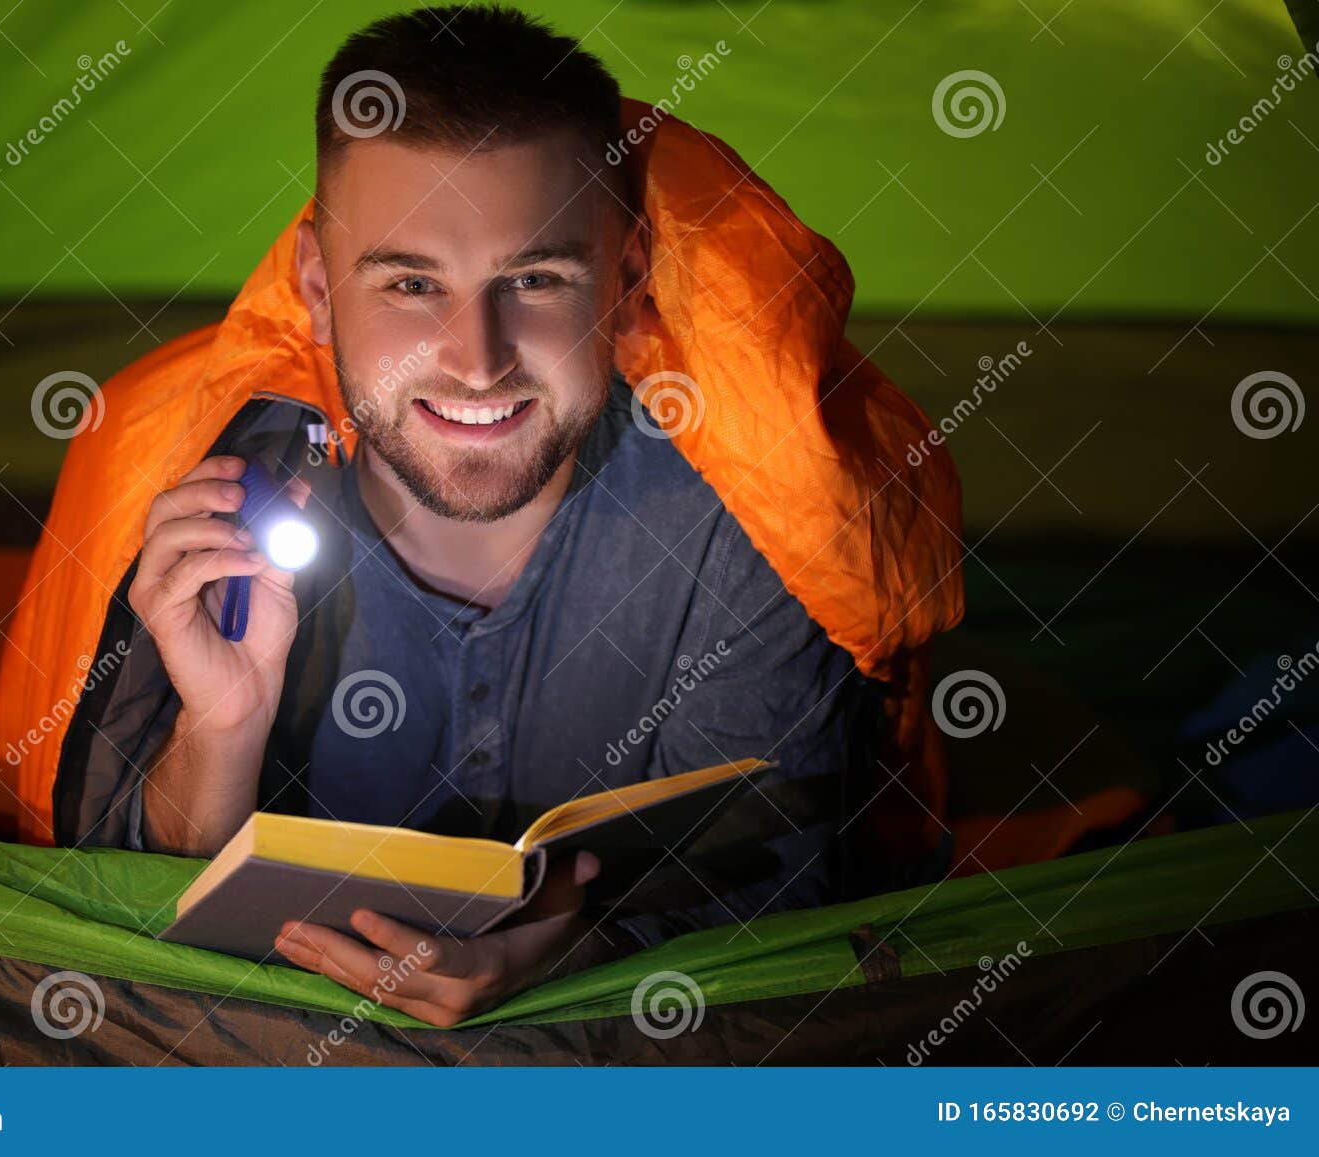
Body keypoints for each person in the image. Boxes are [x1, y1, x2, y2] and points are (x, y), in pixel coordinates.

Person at [89, 5, 921, 1028]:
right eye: (408, 282)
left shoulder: (754, 517)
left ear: (622, 279)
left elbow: (785, 885)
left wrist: (582, 945)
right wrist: (219, 727)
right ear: (315, 284)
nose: (475, 361)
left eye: (532, 279)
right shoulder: (224, 515)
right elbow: (118, 922)